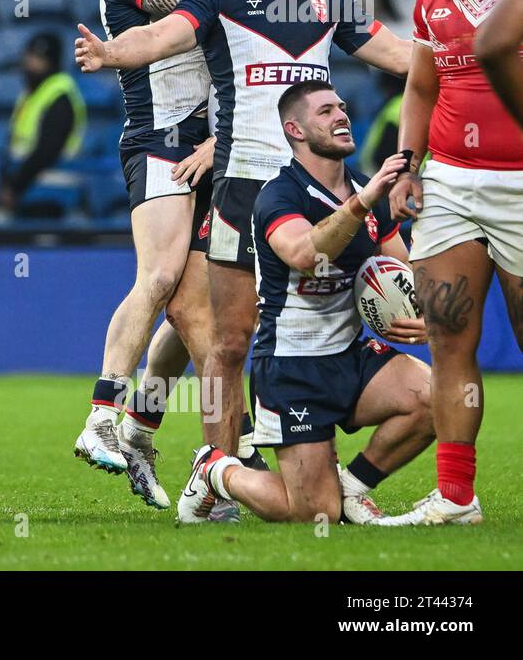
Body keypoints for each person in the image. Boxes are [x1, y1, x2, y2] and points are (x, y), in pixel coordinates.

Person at [75, 0, 412, 523]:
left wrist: (468, 56)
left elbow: (397, 52)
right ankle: (215, 468)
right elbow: (164, 35)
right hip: (242, 186)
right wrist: (112, 49)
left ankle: (328, 469)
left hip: (318, 189)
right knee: (228, 340)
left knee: (310, 324)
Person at [182, 81, 432, 524]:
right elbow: (303, 252)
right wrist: (365, 200)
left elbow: (404, 269)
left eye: (342, 106)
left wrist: (425, 312)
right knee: (314, 514)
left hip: (352, 356)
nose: (341, 115)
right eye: (325, 112)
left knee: (438, 397)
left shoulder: (364, 190)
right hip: (293, 367)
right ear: (295, 130)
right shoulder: (280, 194)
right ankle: (216, 470)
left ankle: (352, 489)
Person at [71, 0, 223, 514]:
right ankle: (101, 415)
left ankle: (143, 428)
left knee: (197, 325)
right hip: (158, 141)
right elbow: (194, 9)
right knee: (158, 277)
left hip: (205, 150)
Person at [377, 0, 523, 526]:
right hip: (452, 184)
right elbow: (420, 88)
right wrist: (408, 165)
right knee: (450, 340)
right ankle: (457, 497)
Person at [0, 31, 85, 211]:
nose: (30, 63)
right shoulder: (30, 93)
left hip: (52, 190)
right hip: (28, 189)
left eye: (38, 58)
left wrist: (15, 185)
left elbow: (48, 149)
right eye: (30, 56)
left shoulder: (60, 93)